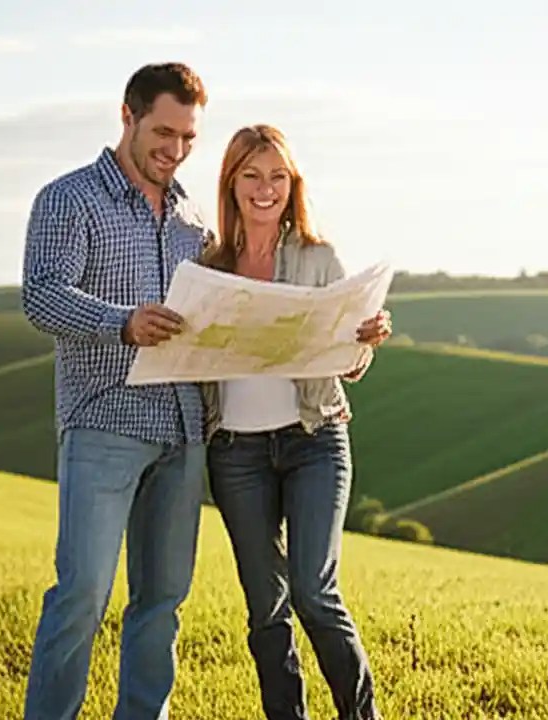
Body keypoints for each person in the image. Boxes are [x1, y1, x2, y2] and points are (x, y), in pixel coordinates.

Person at [19, 62, 212, 720]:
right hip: (103, 423)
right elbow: (41, 297)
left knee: (161, 603)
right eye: (164, 131)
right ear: (127, 116)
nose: (176, 149)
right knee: (83, 594)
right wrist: (121, 323)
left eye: (188, 137)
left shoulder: (194, 219)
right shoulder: (68, 198)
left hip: (184, 432)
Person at [200, 124, 391, 720]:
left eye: (277, 176)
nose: (266, 189)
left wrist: (368, 339)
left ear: (292, 184)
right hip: (236, 451)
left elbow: (350, 361)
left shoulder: (318, 256)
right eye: (252, 176)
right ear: (231, 184)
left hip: (314, 440)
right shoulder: (208, 264)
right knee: (265, 607)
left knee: (313, 590)